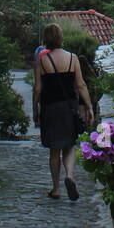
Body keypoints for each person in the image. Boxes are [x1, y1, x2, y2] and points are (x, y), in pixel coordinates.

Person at [31, 23, 93, 200]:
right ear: (60, 37)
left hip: (50, 107)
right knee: (69, 144)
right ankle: (70, 176)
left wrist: (35, 109)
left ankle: (56, 189)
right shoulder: (73, 58)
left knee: (54, 150)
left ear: (46, 38)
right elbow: (80, 85)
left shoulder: (41, 60)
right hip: (69, 107)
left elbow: (37, 88)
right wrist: (88, 106)